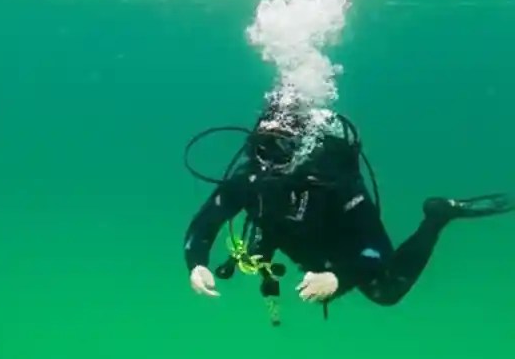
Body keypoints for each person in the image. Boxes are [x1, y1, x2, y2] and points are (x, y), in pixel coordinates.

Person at [182, 103, 510, 321]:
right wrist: (196, 263)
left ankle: (437, 216)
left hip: (341, 243)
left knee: (386, 292)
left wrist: (338, 277)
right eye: (261, 149)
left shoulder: (333, 182)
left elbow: (376, 249)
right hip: (289, 237)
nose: (267, 162)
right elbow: (205, 223)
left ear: (302, 150)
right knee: (261, 249)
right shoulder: (248, 179)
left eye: (279, 151)